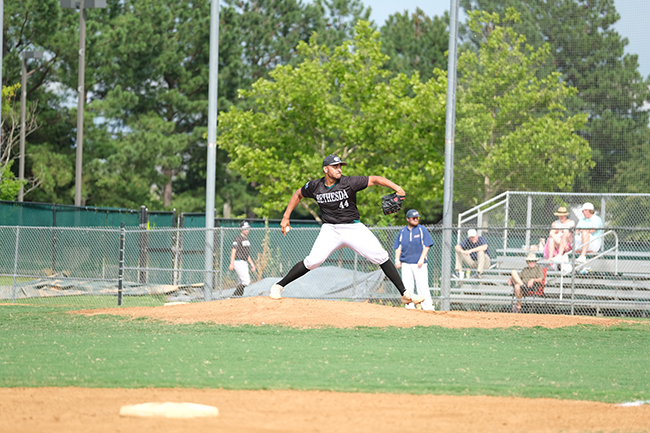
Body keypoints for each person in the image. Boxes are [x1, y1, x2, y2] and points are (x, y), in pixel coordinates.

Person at [269, 154, 425, 307]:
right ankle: (278, 286)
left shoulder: (349, 182)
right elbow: (298, 194)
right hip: (330, 230)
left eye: (340, 166)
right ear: (325, 169)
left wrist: (398, 188)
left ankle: (405, 294)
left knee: (381, 256)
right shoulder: (315, 186)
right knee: (312, 261)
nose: (339, 169)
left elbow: (375, 179)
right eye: (335, 166)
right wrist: (286, 217)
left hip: (353, 228)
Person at [393, 209, 435, 310]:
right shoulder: (403, 231)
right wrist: (397, 260)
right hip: (406, 263)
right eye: (413, 218)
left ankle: (428, 308)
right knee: (407, 287)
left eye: (417, 217)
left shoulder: (422, 229)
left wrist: (421, 259)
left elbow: (426, 245)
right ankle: (409, 307)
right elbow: (398, 247)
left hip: (419, 263)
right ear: (408, 219)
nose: (416, 219)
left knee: (422, 286)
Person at [229, 221, 256, 297]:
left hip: (244, 262)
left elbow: (246, 254)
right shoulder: (238, 239)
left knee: (242, 282)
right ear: (241, 229)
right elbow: (233, 251)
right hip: (238, 262)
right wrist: (232, 263)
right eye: (245, 229)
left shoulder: (246, 239)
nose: (247, 230)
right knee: (246, 281)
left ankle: (237, 297)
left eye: (248, 228)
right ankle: (234, 296)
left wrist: (252, 264)